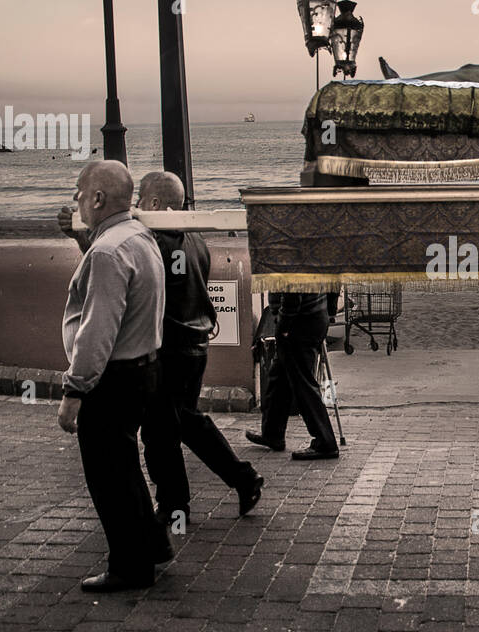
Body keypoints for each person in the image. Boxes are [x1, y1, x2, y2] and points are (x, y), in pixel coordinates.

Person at [58, 173, 264, 527]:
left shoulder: (154, 242)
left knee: (165, 430)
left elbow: (118, 273)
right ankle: (213, 489)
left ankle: (186, 500)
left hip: (171, 348)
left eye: (140, 199)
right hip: (196, 342)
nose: (135, 205)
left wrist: (82, 237)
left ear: (154, 204)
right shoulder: (196, 239)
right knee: (179, 423)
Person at [57, 161, 171, 592]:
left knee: (108, 477)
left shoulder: (107, 252)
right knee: (125, 468)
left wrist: (75, 389)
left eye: (80, 191)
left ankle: (130, 567)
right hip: (145, 368)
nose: (76, 199)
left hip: (113, 378)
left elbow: (97, 330)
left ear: (99, 198)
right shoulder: (139, 236)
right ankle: (153, 545)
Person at [246, 292, 340, 460]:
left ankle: (325, 442)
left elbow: (292, 296)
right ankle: (272, 434)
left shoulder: (287, 265)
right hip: (312, 318)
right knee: (279, 378)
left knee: (303, 384)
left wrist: (283, 327)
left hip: (298, 324)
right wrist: (330, 310)